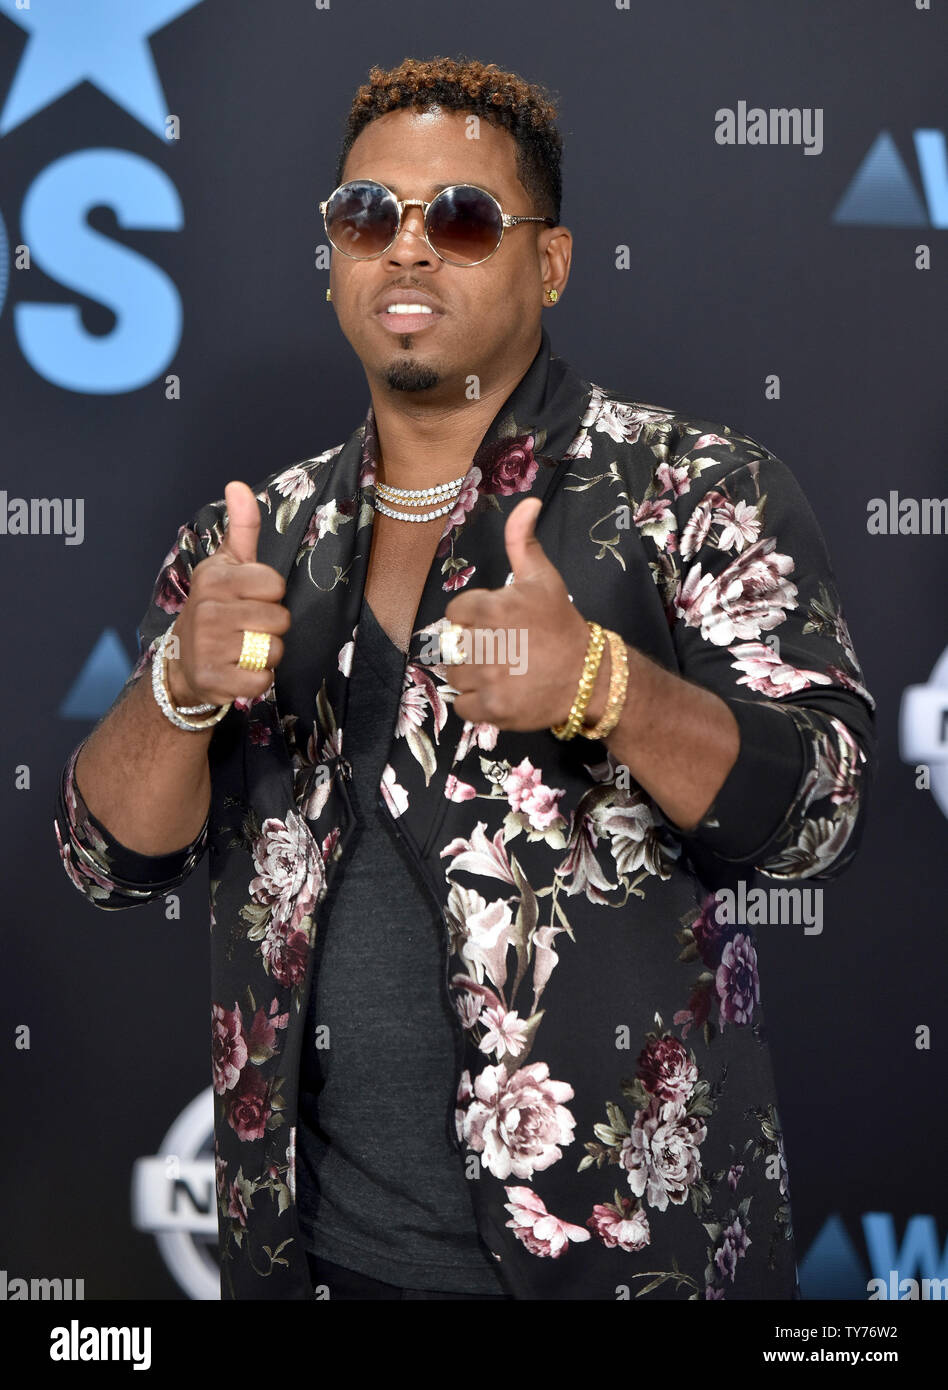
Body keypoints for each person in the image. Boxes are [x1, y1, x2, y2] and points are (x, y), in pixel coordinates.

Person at [54, 55, 875, 1302]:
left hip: (627, 1265)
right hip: (316, 1261)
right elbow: (106, 863)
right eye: (368, 215)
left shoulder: (692, 492)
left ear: (547, 262)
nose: (410, 250)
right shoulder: (250, 537)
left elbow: (823, 815)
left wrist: (610, 682)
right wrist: (179, 678)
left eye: (466, 218)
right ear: (333, 250)